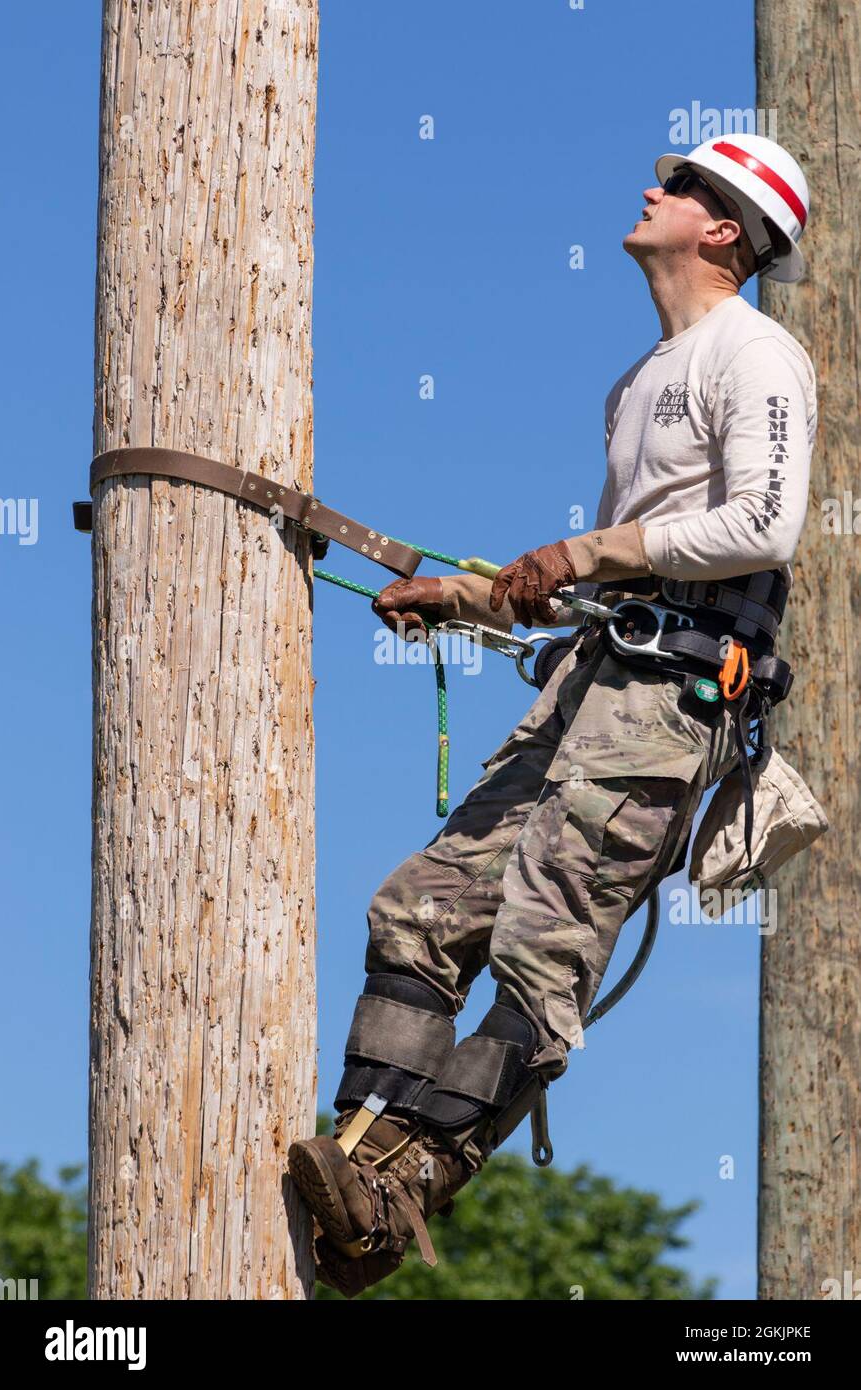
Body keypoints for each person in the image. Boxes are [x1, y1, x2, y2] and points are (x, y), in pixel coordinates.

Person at [287, 133, 817, 1297]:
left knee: (541, 952)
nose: (649, 190)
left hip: (666, 703)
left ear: (720, 228)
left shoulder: (756, 352)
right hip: (585, 682)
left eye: (675, 184)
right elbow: (592, 582)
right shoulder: (637, 385)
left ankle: (407, 1182)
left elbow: (762, 528)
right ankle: (360, 1148)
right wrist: (468, 594)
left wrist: (580, 547)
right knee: (419, 907)